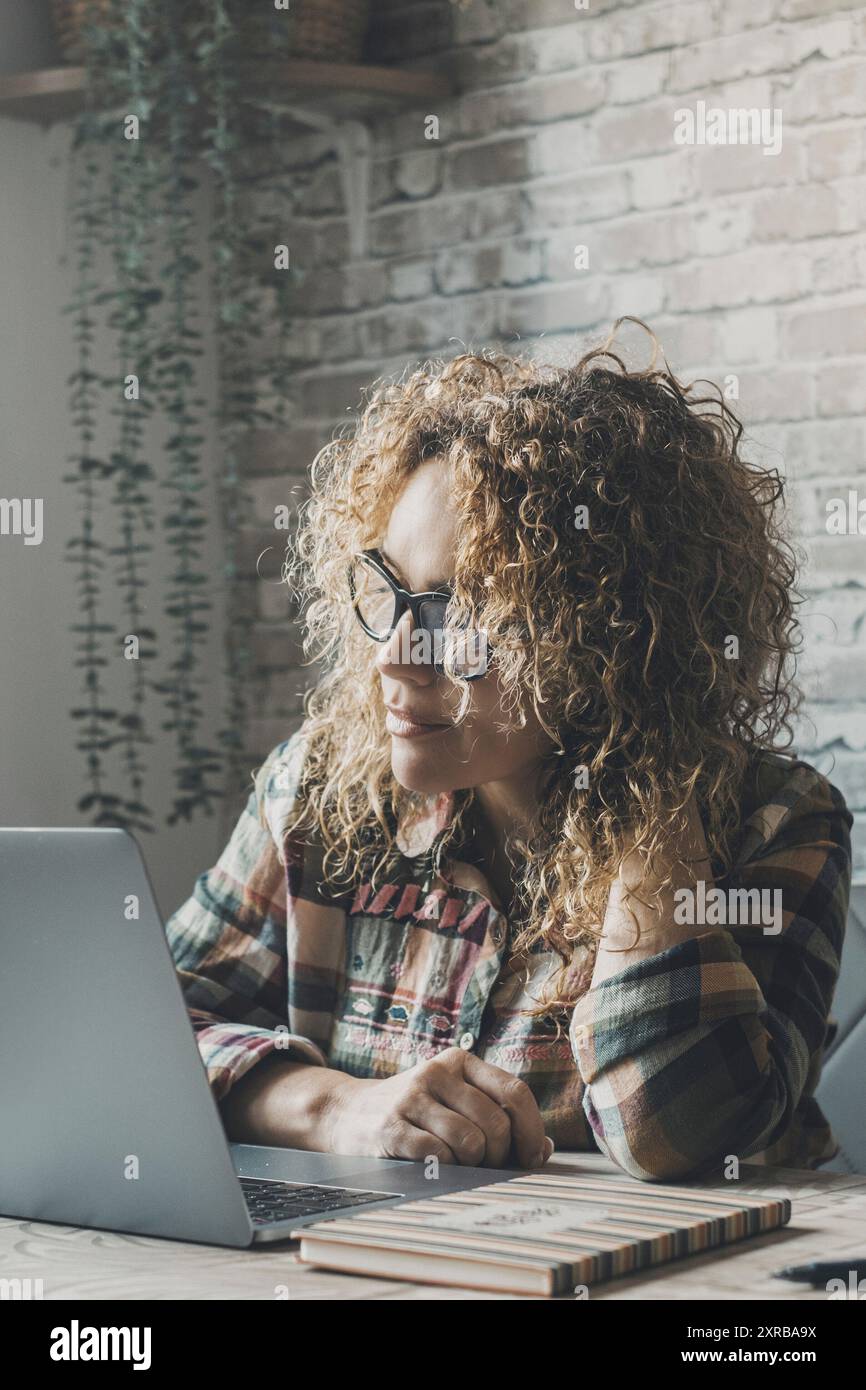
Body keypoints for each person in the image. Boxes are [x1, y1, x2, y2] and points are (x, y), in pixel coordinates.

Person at [166, 324, 852, 1182]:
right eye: (390, 589)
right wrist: (334, 1106)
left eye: (461, 615)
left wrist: (656, 772)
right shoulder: (317, 791)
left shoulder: (775, 821)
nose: (394, 655)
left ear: (609, 642)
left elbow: (680, 1130)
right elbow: (143, 1033)